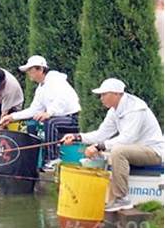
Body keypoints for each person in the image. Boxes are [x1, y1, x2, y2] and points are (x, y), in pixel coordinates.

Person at [62, 78, 163, 212]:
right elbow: (101, 134)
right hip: (134, 150)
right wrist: (77, 137)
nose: (101, 98)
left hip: (153, 152)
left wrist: (99, 146)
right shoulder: (114, 110)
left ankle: (122, 199)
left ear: (116, 94)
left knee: (117, 152)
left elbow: (127, 138)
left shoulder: (136, 109)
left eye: (104, 94)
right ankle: (103, 197)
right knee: (104, 154)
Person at [0, 55, 81, 170]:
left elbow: (62, 99)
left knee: (51, 123)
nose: (28, 73)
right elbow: (34, 109)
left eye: (30, 70)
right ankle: (33, 161)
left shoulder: (55, 80)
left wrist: (49, 113)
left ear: (41, 69)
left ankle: (53, 159)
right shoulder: (40, 88)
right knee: (32, 124)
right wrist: (12, 117)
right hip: (59, 118)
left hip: (73, 119)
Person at [0, 68, 24, 135]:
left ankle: (2, 135)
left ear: (3, 81)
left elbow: (4, 114)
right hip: (2, 100)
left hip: (14, 106)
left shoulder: (10, 90)